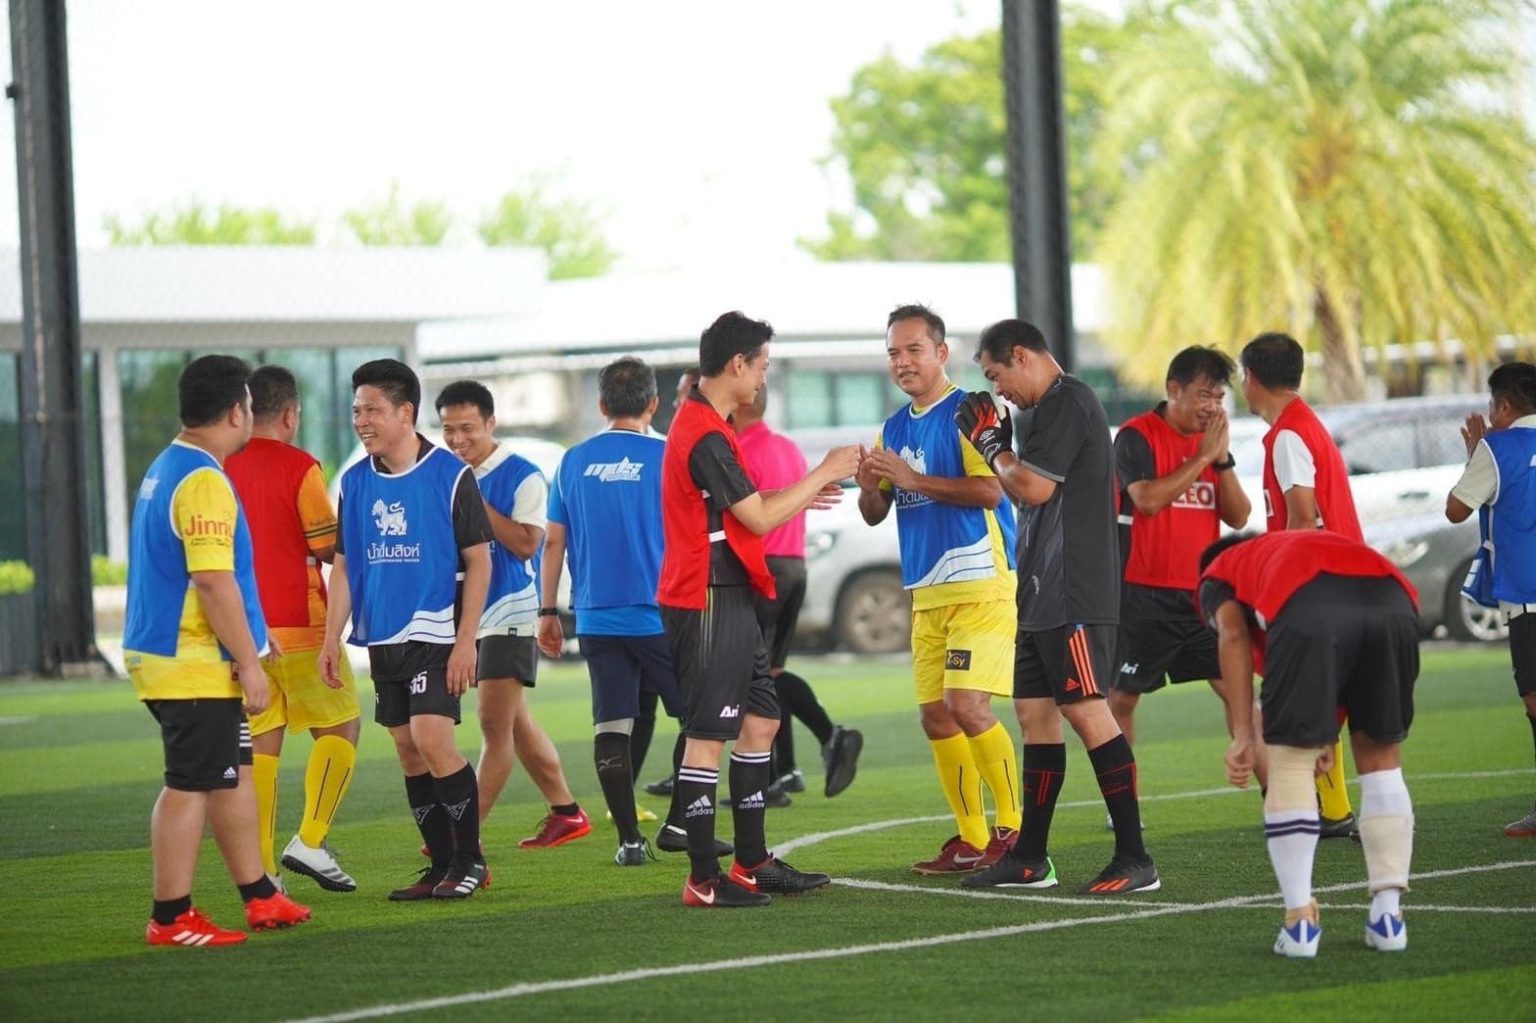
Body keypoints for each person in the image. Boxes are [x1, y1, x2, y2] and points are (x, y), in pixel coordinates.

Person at [661, 310, 859, 908]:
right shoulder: (703, 430)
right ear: (737, 364)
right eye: (763, 365)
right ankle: (703, 879)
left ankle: (751, 862)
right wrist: (822, 472)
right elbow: (757, 517)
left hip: (731, 592)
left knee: (762, 722)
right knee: (707, 737)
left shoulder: (710, 425)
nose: (764, 377)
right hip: (706, 595)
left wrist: (797, 493)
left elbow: (741, 506)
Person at [957, 318, 1158, 894]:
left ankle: (1135, 857)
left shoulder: (1069, 400)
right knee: (1035, 717)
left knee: (1087, 711)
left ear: (1022, 355)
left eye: (997, 375)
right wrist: (1003, 447)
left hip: (1075, 591)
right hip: (1041, 592)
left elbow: (1034, 487)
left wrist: (993, 448)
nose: (997, 390)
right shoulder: (1045, 412)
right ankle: (1029, 858)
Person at [125, 354, 311, 946]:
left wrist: (252, 633)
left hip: (182, 653)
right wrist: (250, 663)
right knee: (192, 782)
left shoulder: (171, 464)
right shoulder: (202, 479)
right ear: (236, 411)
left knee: (232, 775)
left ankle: (260, 895)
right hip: (190, 661)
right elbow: (210, 580)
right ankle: (171, 916)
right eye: (250, 407)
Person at [857, 304, 1023, 876]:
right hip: (926, 593)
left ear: (941, 352)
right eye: (893, 353)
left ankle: (1013, 833)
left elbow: (992, 491)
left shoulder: (972, 410)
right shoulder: (892, 428)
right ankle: (972, 839)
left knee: (966, 705)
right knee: (935, 716)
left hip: (980, 583)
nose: (902, 362)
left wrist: (912, 478)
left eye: (913, 350)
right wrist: (870, 487)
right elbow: (876, 511)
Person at [319, 359, 493, 901]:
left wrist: (466, 642)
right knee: (407, 748)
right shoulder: (354, 483)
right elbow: (344, 566)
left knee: (432, 739)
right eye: (356, 411)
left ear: (405, 412)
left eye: (372, 410)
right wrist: (331, 638)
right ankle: (440, 865)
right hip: (383, 636)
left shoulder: (450, 475)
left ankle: (470, 861)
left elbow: (479, 560)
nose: (361, 421)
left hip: (437, 630)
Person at [1199, 530, 1419, 957]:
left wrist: (1244, 733)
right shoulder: (1280, 548)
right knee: (1382, 761)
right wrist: (1326, 731)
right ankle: (1389, 919)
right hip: (1394, 601)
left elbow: (1234, 635)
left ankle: (1300, 923)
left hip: (1307, 604)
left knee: (1290, 763)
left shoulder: (1216, 573)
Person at [538, 357, 690, 865]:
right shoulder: (670, 456)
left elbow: (553, 542)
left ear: (602, 404)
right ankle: (678, 822)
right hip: (660, 614)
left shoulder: (572, 461)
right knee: (697, 720)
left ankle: (629, 841)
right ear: (654, 403)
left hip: (596, 617)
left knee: (613, 724)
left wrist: (547, 611)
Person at [435, 381, 592, 852]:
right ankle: (566, 811)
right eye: (448, 429)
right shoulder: (444, 472)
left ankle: (465, 836)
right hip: (469, 614)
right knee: (516, 724)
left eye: (467, 428)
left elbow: (527, 543)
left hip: (511, 611)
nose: (457, 439)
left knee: (493, 726)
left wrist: (473, 501)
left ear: (491, 423)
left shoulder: (523, 475)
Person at [226, 365, 361, 894]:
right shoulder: (300, 466)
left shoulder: (219, 467)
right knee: (343, 726)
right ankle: (310, 839)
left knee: (262, 748)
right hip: (302, 626)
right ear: (289, 414)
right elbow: (327, 547)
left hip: (244, 631)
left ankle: (266, 874)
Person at [1240, 332, 1362, 838]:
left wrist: (1284, 585)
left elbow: (1303, 515)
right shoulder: (1303, 426)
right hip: (1339, 581)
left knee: (1292, 699)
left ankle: (1311, 809)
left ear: (1251, 379)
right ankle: (1331, 811)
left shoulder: (1290, 435)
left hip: (1317, 586)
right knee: (1322, 699)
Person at [1109, 347, 1252, 778]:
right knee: (1121, 699)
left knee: (1239, 693)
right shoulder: (1136, 436)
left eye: (1219, 398)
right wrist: (1203, 457)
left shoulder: (1213, 448)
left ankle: (1278, 794)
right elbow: (1147, 500)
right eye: (1204, 395)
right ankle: (1123, 805)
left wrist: (1221, 460)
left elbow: (1239, 517)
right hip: (1141, 593)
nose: (1213, 407)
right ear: (1174, 389)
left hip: (1200, 595)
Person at [735, 385, 863, 801]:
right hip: (794, 565)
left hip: (763, 568)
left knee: (754, 675)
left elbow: (744, 517)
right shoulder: (788, 448)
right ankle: (784, 771)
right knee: (770, 673)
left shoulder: (737, 451)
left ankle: (828, 736)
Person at [1445, 361, 1536, 837]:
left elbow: (1456, 509)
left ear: (1502, 406)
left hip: (1527, 594)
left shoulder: (1497, 448)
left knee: (1534, 701)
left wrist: (1476, 457)